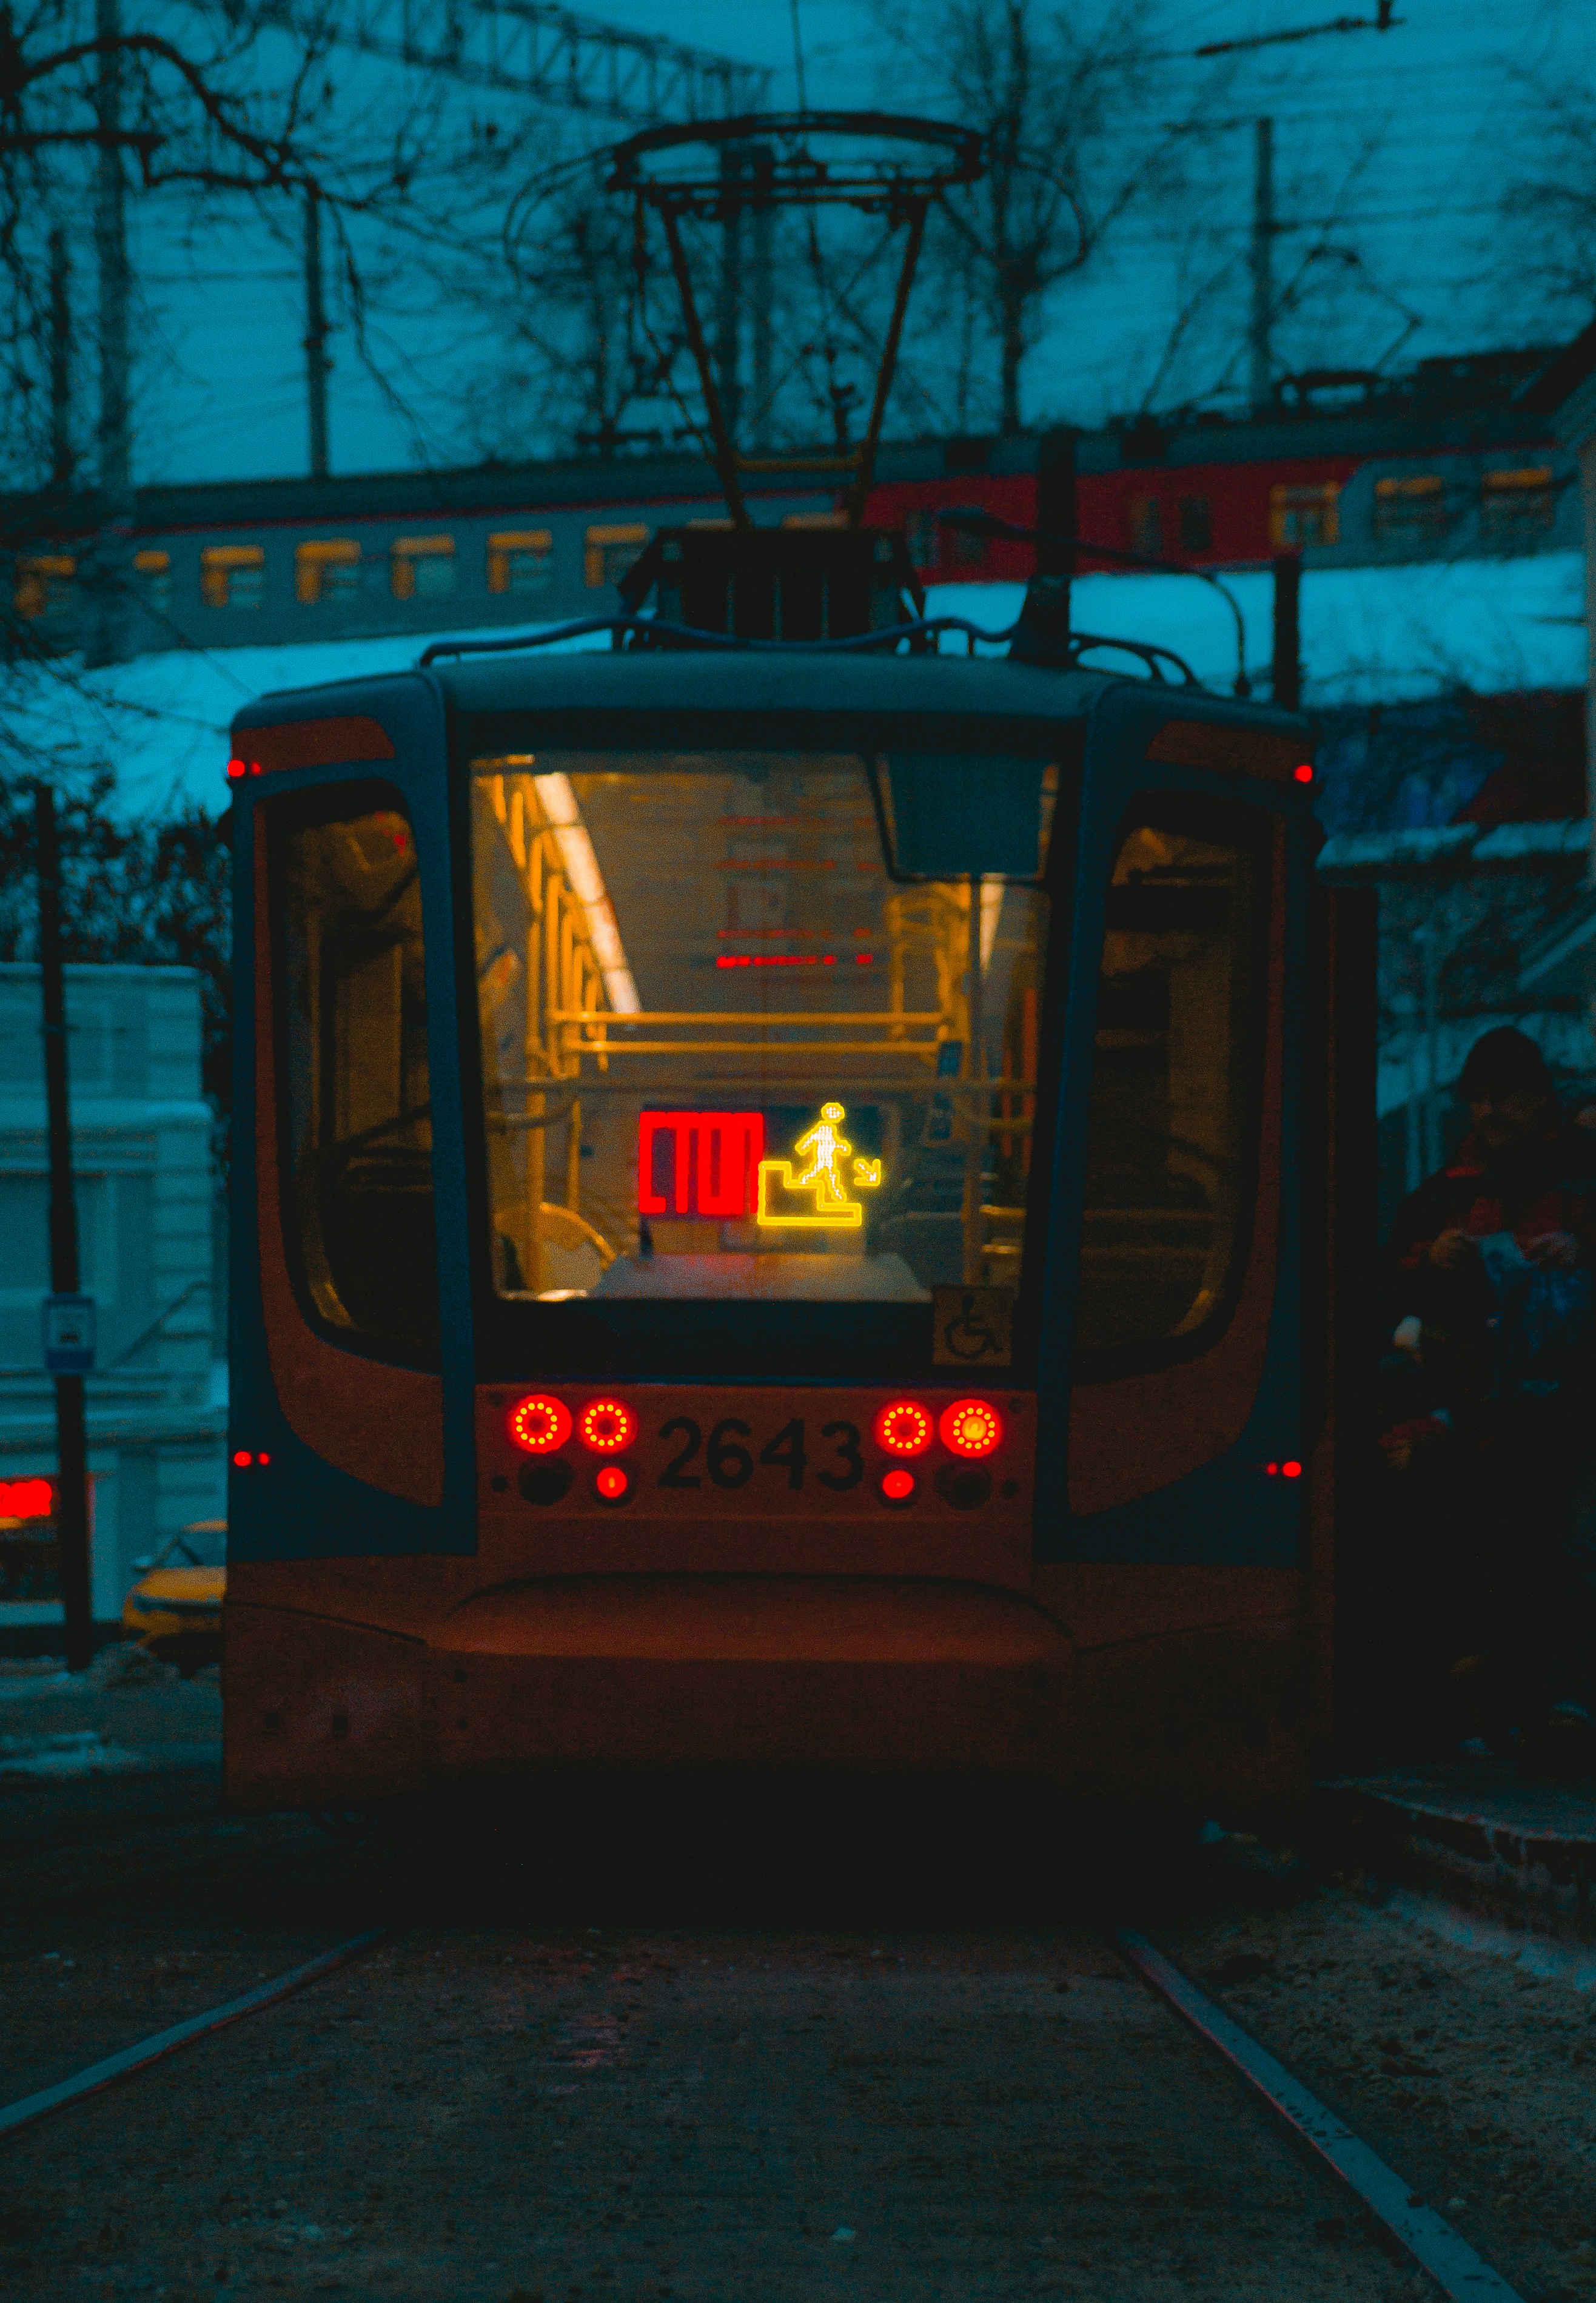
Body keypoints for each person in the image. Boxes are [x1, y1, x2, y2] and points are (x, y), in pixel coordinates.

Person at [1380, 1026, 1596, 1769]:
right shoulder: (1447, 1196)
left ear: (1540, 1102)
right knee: (1501, 1555)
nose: (1494, 1112)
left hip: (1569, 1414)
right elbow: (1390, 1293)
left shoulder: (1578, 1183)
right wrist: (1427, 1265)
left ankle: (1556, 1701)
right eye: (1483, 1099)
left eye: (1509, 1098)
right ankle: (1514, 1707)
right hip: (1487, 1419)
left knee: (1564, 1550)